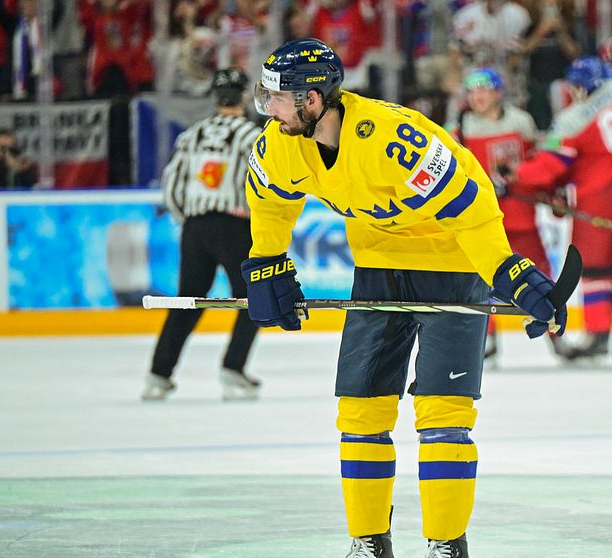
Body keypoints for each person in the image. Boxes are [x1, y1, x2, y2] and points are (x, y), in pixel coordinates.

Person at [243, 38, 566, 558]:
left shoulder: (393, 139)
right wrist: (266, 260)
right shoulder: (280, 143)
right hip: (379, 267)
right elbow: (269, 199)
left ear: (312, 99)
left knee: (443, 415)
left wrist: (504, 267)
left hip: (452, 262)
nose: (269, 109)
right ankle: (368, 542)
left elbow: (470, 204)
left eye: (277, 98)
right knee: (360, 410)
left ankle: (446, 545)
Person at [508, 56, 612, 363]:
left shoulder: (574, 117)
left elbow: (549, 165)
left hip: (597, 195)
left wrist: (515, 175)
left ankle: (598, 336)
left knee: (594, 269)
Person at [142, 68, 263, 402]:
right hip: (234, 225)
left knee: (188, 300)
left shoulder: (191, 135)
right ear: (244, 96)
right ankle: (233, 369)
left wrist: (189, 219)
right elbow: (260, 183)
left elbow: (172, 184)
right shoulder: (252, 136)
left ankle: (158, 375)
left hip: (195, 227)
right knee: (254, 299)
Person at [448, 67, 549, 360]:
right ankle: (484, 339)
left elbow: (536, 162)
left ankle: (555, 329)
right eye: (472, 90)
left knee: (539, 271)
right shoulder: (459, 128)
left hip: (520, 213)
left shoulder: (521, 121)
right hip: (481, 217)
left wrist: (542, 188)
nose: (477, 96)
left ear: (499, 92)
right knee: (480, 278)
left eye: (484, 89)